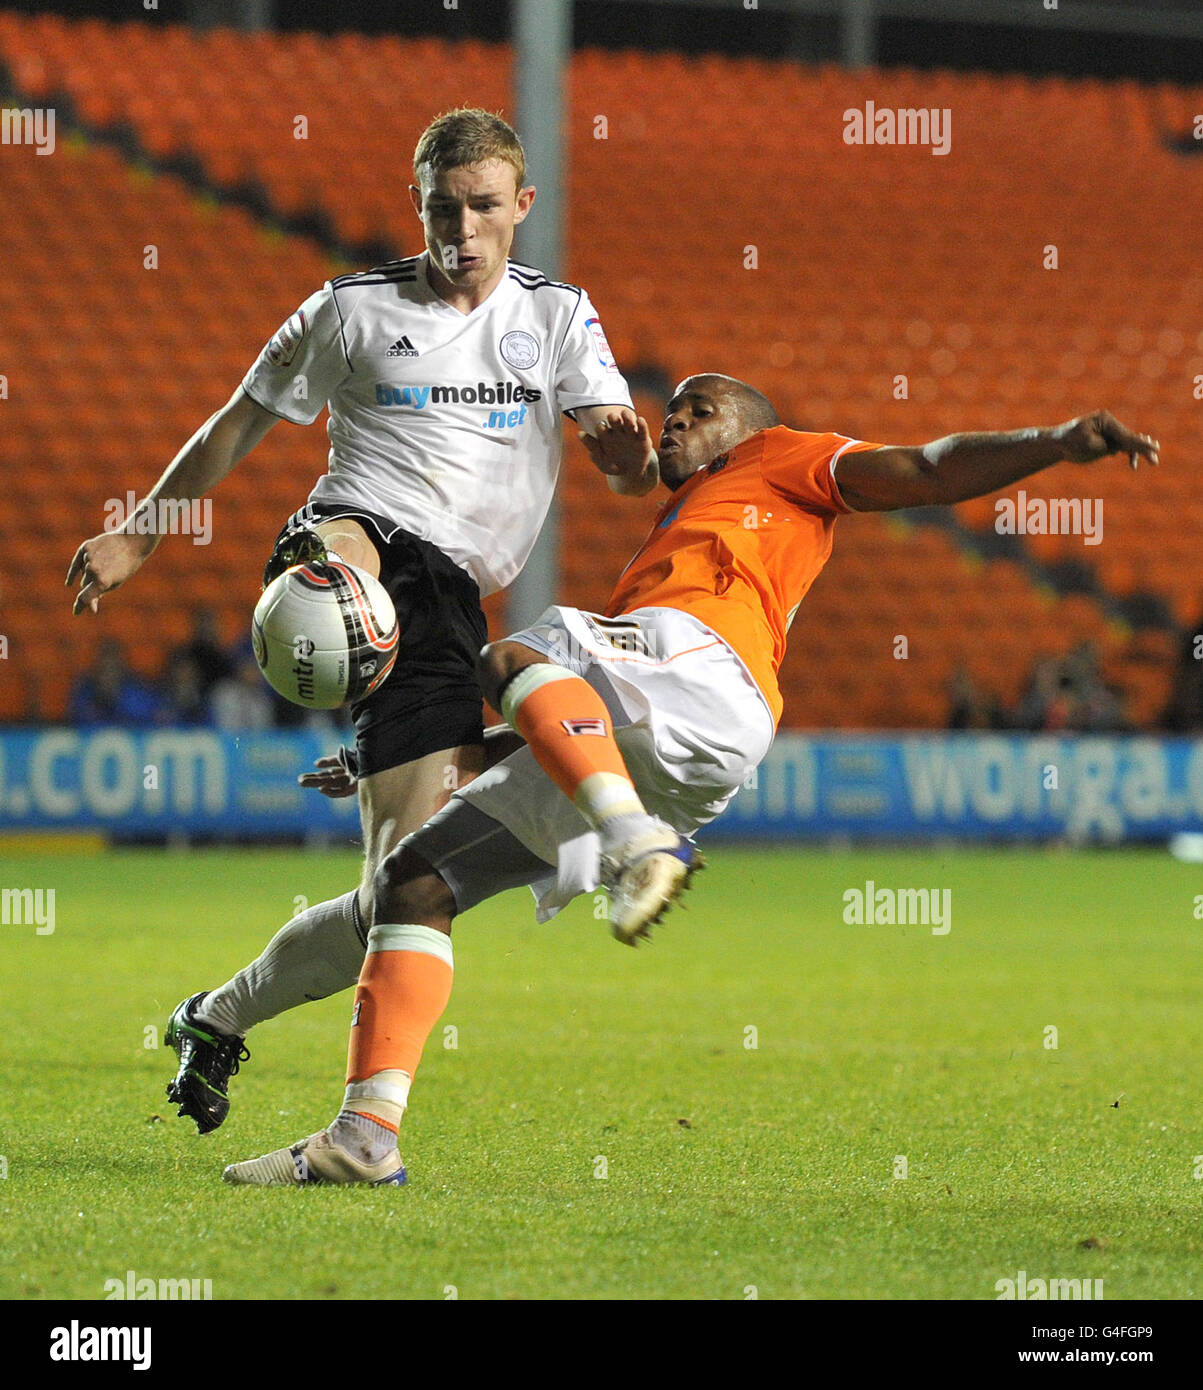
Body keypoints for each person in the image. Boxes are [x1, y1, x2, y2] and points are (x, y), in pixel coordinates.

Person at [222, 374, 1159, 1185]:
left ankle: (636, 847)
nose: (671, 426)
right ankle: (365, 1137)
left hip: (705, 671)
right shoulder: (673, 533)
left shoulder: (784, 458)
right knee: (414, 882)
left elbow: (924, 467)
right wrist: (450, 755)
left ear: (749, 426)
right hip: (679, 745)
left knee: (505, 652)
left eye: (696, 411)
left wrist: (1055, 444)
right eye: (669, 414)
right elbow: (583, 728)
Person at [64, 108, 652, 1134]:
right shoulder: (352, 310)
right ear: (417, 206)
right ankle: (338, 614)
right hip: (358, 536)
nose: (460, 228)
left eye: (481, 206)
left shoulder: (558, 316)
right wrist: (138, 535)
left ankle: (214, 1016)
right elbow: (240, 418)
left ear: (522, 206)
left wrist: (626, 457)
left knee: (401, 891)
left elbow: (617, 444)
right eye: (441, 207)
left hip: (452, 609)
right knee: (344, 565)